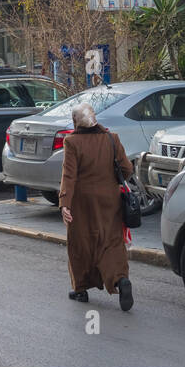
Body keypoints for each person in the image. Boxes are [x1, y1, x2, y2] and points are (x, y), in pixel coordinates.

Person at [59, 102, 135, 311]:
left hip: (81, 202)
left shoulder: (72, 142)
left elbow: (69, 175)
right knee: (111, 241)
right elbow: (127, 169)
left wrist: (65, 203)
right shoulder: (112, 138)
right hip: (110, 199)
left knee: (80, 242)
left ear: (76, 122)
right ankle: (120, 280)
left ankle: (81, 288)